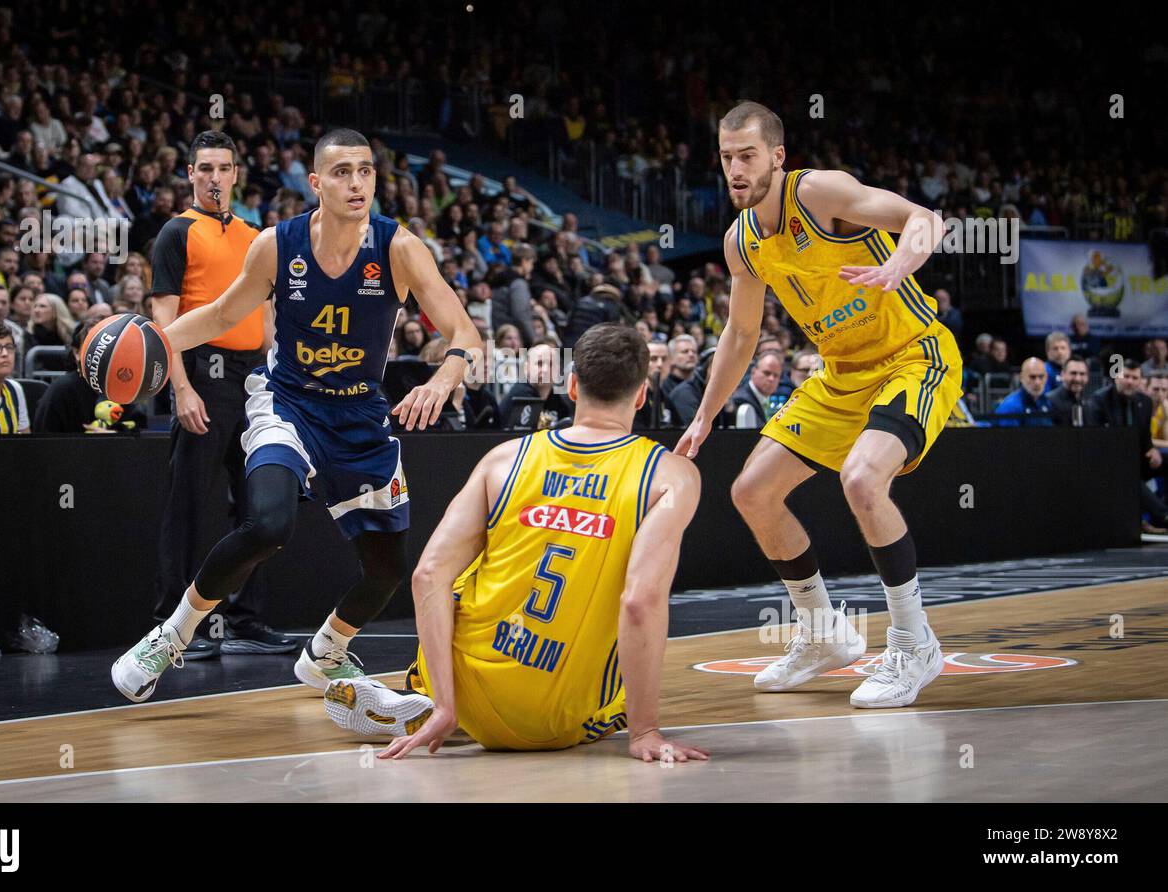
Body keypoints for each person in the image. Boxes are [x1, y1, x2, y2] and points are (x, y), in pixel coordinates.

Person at [111, 128, 482, 703]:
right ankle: (173, 634)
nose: (356, 182)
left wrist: (442, 378)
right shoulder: (277, 245)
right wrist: (151, 341)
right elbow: (219, 315)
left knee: (386, 571)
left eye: (365, 171)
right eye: (341, 172)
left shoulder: (399, 247)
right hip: (288, 404)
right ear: (315, 183)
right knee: (269, 523)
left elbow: (464, 333)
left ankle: (326, 652)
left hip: (361, 418)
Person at [676, 101, 963, 709]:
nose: (735, 168)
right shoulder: (741, 242)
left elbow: (925, 217)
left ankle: (915, 643)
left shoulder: (822, 194)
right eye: (726, 157)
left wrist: (899, 262)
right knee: (752, 491)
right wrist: (704, 416)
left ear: (778, 158)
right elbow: (741, 335)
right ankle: (823, 632)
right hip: (841, 376)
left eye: (747, 155)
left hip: (914, 356)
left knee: (862, 479)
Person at [336, 324, 709, 763]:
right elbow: (640, 602)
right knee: (615, 618)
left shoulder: (503, 458)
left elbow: (428, 575)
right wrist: (646, 733)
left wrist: (446, 706)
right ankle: (629, 720)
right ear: (642, 394)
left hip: (466, 693)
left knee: (470, 568)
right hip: (560, 719)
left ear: (572, 386)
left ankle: (424, 696)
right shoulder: (671, 476)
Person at [149, 131, 288, 659]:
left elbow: (268, 313)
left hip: (253, 378)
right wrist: (179, 389)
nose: (214, 176)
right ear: (190, 174)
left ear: (235, 174)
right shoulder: (176, 232)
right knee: (188, 502)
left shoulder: (256, 235)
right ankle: (169, 626)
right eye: (204, 167)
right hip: (201, 375)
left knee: (259, 505)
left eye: (223, 167)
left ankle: (245, 619)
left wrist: (276, 377)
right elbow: (165, 319)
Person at [1086, 360, 1168, 534]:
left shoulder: (1144, 402)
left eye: (1134, 377)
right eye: (1126, 376)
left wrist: (1152, 449)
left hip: (1138, 458)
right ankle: (1164, 515)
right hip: (1109, 465)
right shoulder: (1099, 401)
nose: (1130, 381)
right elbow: (1094, 441)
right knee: (1127, 474)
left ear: (1140, 381)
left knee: (1165, 457)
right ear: (1116, 377)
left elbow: (1145, 435)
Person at [33, 322, 148, 433]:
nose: (102, 352)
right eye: (94, 345)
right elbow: (44, 442)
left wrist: (114, 438)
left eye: (109, 345)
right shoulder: (60, 390)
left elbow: (141, 433)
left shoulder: (125, 390)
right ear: (76, 352)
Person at [993, 357, 1054, 427]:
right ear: (1022, 377)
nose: (1037, 382)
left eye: (1041, 376)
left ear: (1046, 377)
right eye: (1032, 377)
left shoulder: (1049, 402)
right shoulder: (1011, 406)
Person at [1047, 356, 1091, 427]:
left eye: (1082, 374)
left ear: (1087, 377)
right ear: (1062, 374)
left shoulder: (1091, 401)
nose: (1077, 379)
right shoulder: (1050, 401)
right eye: (1073, 373)